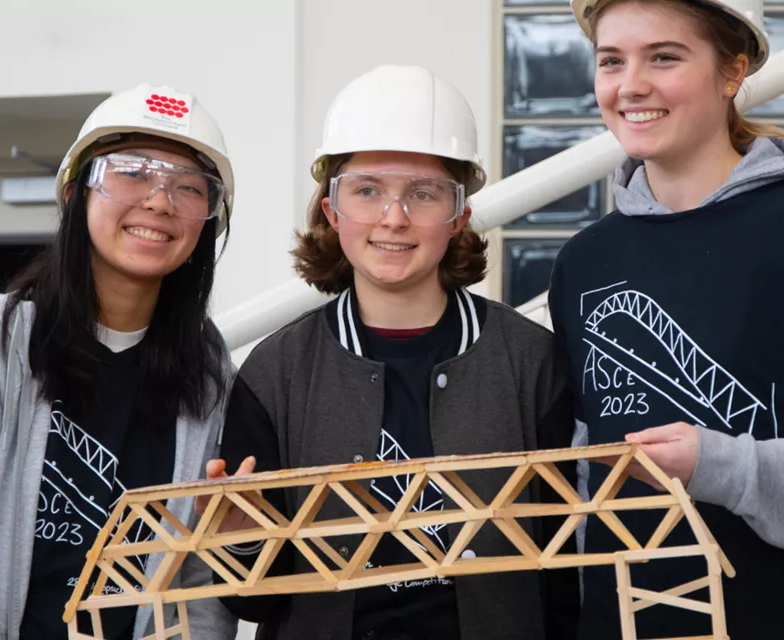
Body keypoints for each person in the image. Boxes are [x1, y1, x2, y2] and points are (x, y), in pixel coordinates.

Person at [549, 1, 784, 638]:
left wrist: (720, 465)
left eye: (664, 56)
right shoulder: (586, 261)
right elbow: (587, 479)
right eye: (611, 61)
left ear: (733, 71)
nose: (631, 84)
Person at [207, 64, 580, 640]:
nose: (394, 218)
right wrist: (240, 543)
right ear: (332, 212)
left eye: (424, 194)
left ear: (459, 217)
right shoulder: (275, 373)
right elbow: (254, 604)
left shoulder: (533, 361)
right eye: (367, 191)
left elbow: (566, 579)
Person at [0, 84, 240, 640]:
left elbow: (196, 580)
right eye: (131, 172)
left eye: (188, 187)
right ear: (77, 193)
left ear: (208, 220)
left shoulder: (208, 369)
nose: (159, 201)